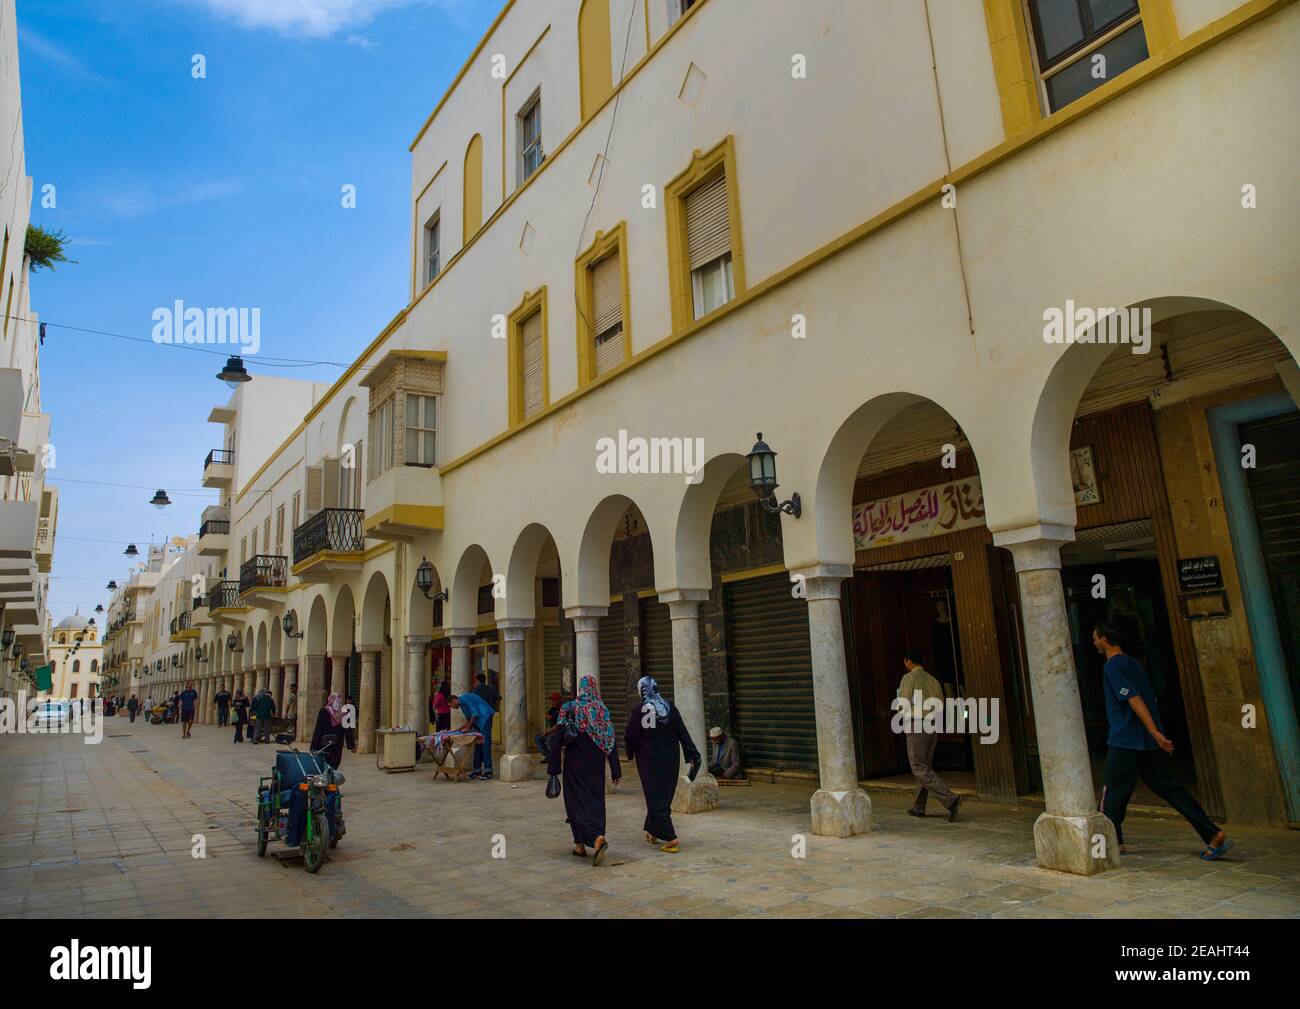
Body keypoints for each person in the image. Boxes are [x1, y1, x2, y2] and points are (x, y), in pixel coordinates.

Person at [1093, 622, 1231, 860]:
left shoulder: (1112, 667)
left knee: (1112, 793)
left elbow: (1135, 699)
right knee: (1173, 791)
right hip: (1146, 742)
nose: (1094, 643)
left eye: (1095, 638)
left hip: (1126, 740)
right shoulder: (1134, 663)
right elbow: (1150, 697)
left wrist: (1155, 732)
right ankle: (1212, 833)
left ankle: (1109, 843)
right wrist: (1154, 734)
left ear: (1104, 640)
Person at [546, 675, 622, 865]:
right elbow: (610, 740)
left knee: (574, 801)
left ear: (580, 688)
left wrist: (553, 768)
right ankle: (580, 844)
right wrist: (615, 768)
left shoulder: (570, 708)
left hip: (575, 764)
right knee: (595, 800)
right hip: (596, 765)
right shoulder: (602, 709)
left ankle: (596, 838)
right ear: (594, 688)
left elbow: (557, 739)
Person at [626, 676, 700, 853]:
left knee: (655, 798)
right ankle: (652, 830)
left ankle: (670, 837)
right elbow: (682, 732)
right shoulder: (670, 708)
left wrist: (629, 753)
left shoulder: (642, 710)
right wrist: (693, 754)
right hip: (670, 761)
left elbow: (631, 735)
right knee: (662, 797)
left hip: (650, 762)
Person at [898, 649, 961, 821]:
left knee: (919, 768)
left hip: (916, 725)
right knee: (924, 767)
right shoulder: (933, 680)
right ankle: (919, 807)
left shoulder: (908, 678)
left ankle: (950, 799)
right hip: (932, 726)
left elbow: (902, 703)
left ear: (908, 662)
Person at [450, 690, 495, 780]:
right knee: (477, 745)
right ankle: (477, 770)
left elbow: (475, 714)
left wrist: (468, 727)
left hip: (485, 718)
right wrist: (460, 728)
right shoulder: (462, 705)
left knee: (485, 744)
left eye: (451, 705)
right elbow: (470, 719)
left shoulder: (464, 698)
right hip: (478, 723)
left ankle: (488, 771)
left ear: (454, 701)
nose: (452, 708)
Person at [310, 693, 356, 770]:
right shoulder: (342, 712)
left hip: (325, 743)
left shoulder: (324, 711)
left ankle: (329, 777)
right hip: (335, 743)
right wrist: (351, 745)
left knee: (328, 763)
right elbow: (348, 729)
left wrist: (314, 746)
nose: (340, 702)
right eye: (338, 700)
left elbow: (318, 729)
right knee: (333, 763)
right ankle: (330, 776)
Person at [535, 692, 563, 764]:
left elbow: (558, 725)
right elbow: (549, 717)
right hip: (551, 731)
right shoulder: (553, 709)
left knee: (549, 739)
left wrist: (547, 732)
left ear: (559, 701)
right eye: (552, 701)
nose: (552, 702)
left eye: (553, 700)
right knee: (538, 738)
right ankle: (548, 757)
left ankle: (554, 758)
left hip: (559, 732)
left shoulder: (562, 709)